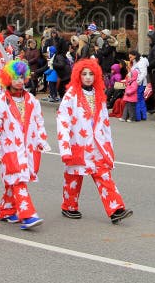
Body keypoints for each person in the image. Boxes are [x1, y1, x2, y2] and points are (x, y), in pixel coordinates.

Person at [56, 59, 133, 224]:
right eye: (84, 74)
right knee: (74, 176)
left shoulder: (99, 95)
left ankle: (116, 209)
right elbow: (63, 121)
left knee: (103, 175)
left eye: (91, 74)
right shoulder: (71, 95)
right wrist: (65, 148)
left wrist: (108, 145)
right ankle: (68, 206)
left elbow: (105, 123)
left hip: (96, 145)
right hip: (78, 143)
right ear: (78, 75)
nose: (88, 77)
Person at [0, 60, 50, 230]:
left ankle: (6, 210)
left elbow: (39, 122)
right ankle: (28, 215)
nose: (19, 81)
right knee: (18, 178)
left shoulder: (31, 100)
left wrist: (41, 140)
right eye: (15, 77)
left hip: (28, 148)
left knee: (15, 179)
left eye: (21, 77)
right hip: (9, 148)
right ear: (8, 79)